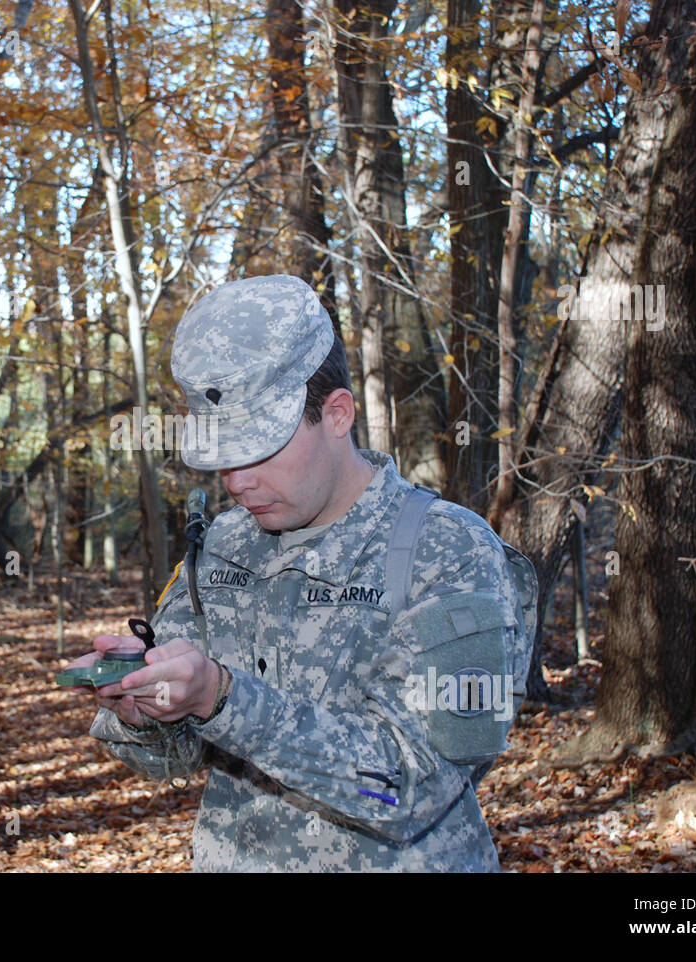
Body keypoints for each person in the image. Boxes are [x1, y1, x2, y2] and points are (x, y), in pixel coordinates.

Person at [64, 274, 521, 871]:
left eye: (257, 450)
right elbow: (174, 759)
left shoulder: (450, 550)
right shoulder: (225, 544)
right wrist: (147, 710)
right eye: (224, 457)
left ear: (337, 414)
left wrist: (223, 698)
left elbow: (413, 790)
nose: (236, 481)